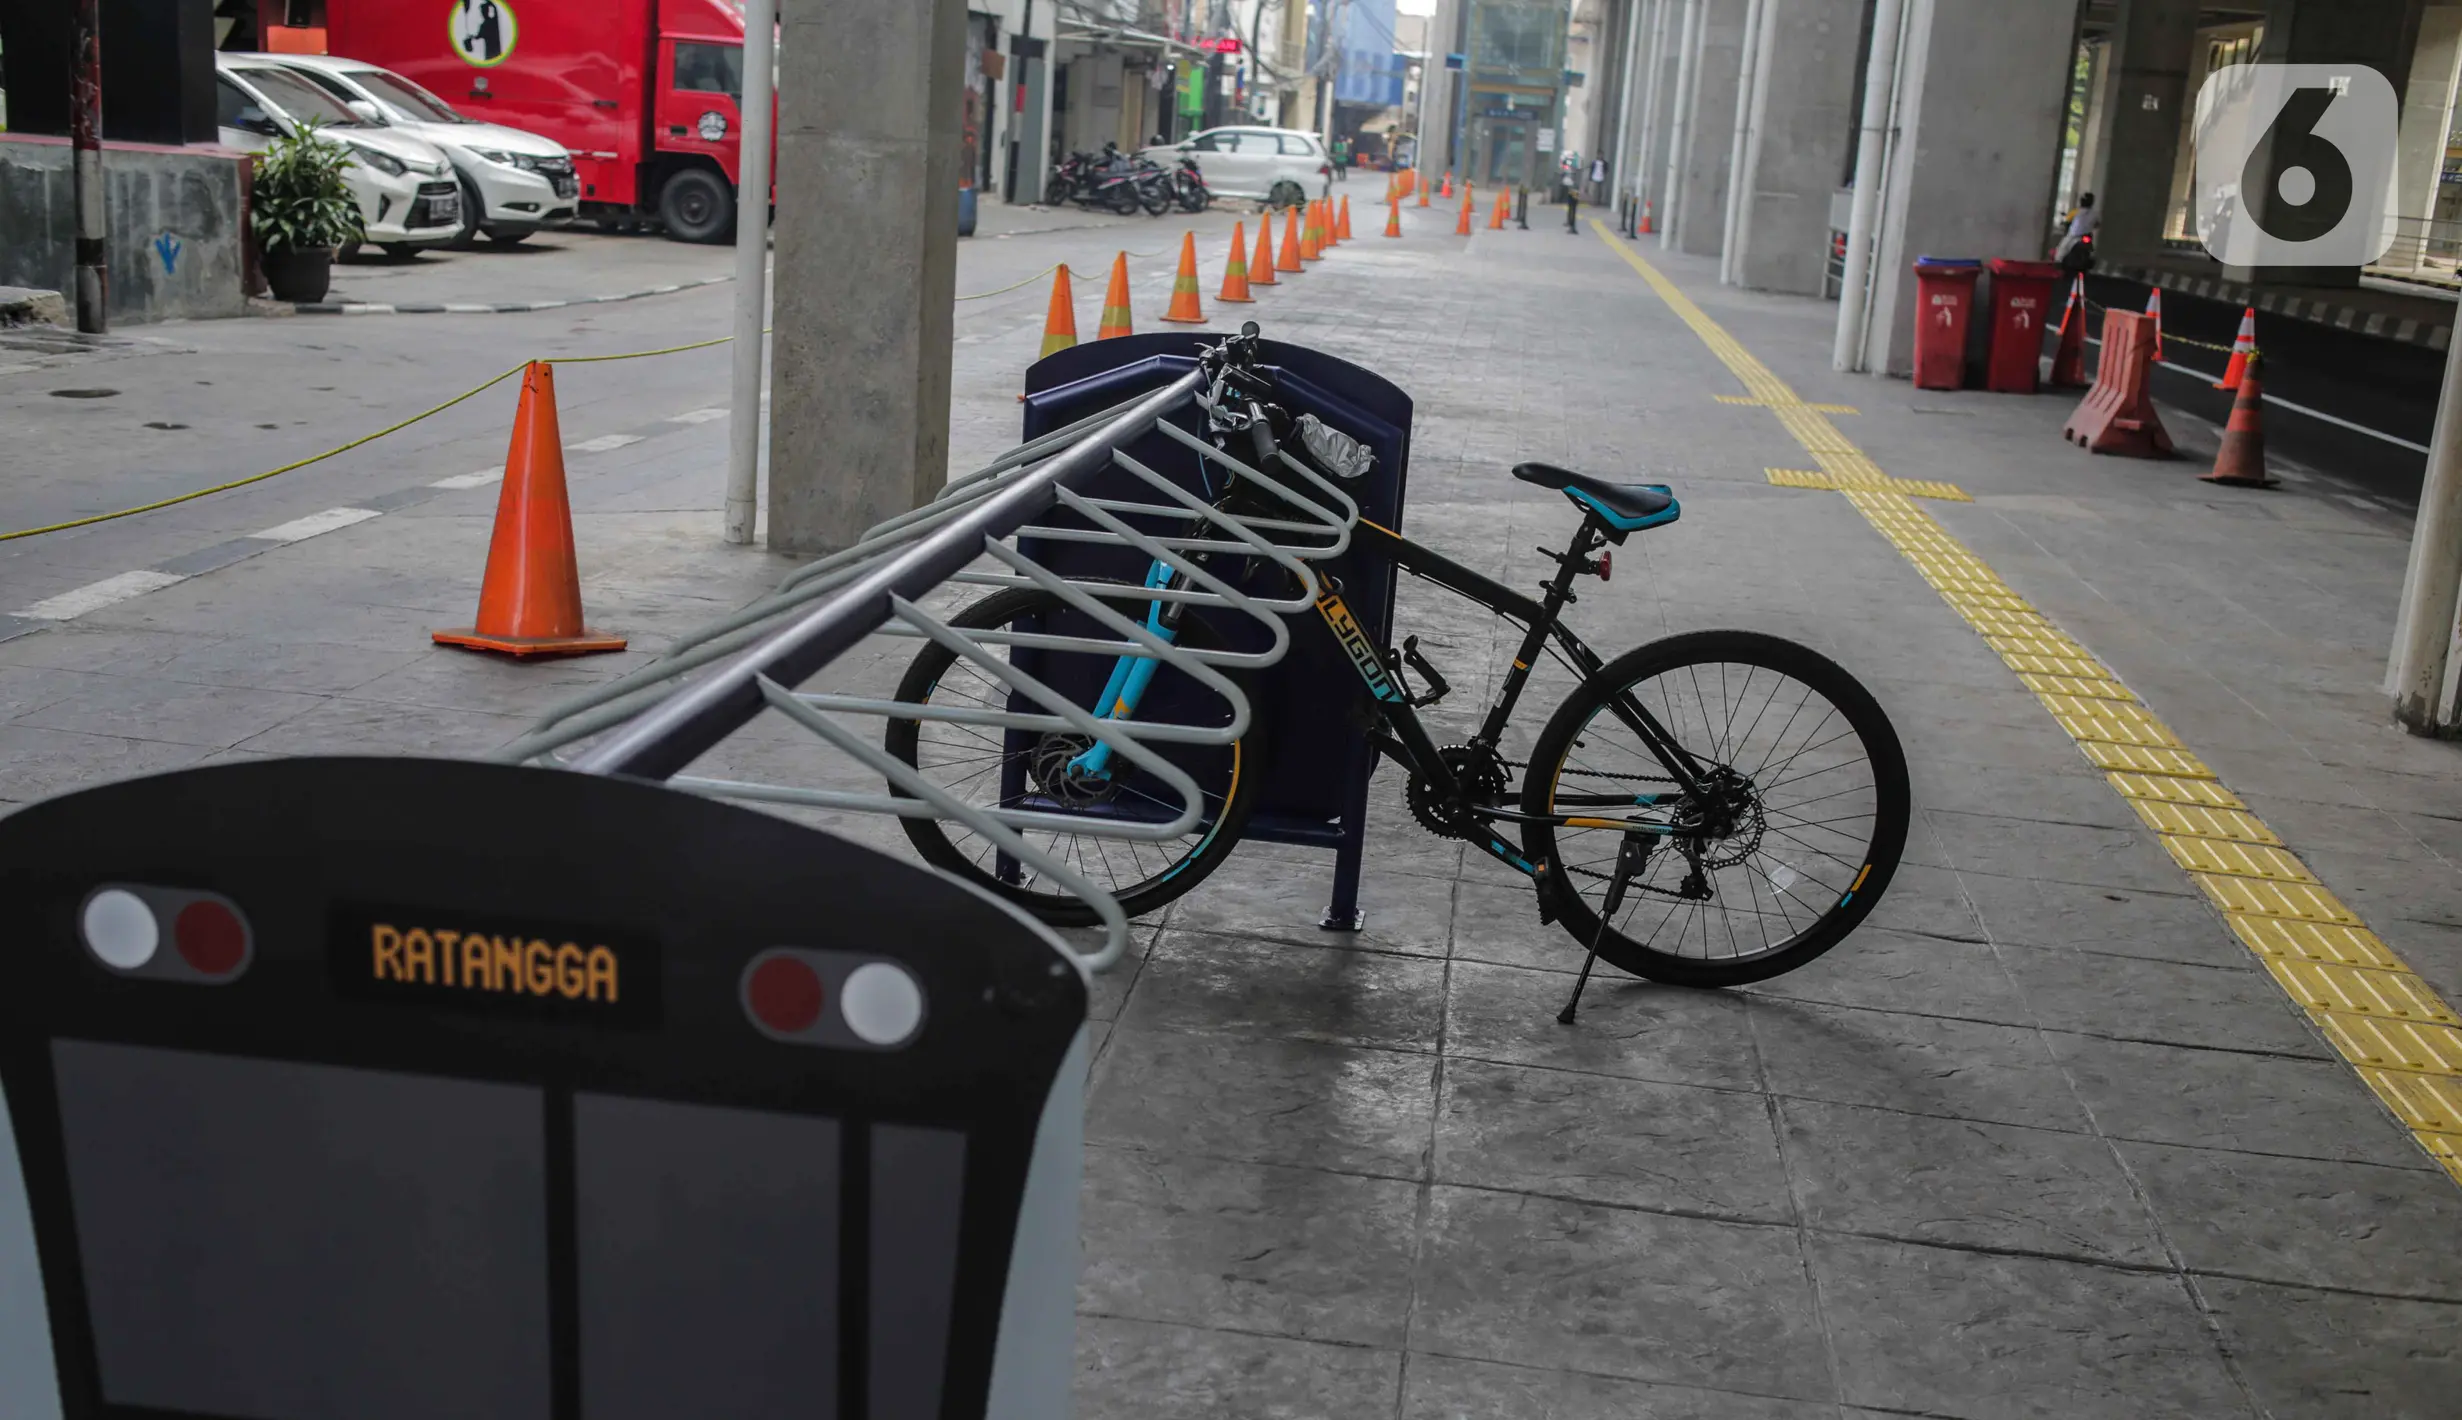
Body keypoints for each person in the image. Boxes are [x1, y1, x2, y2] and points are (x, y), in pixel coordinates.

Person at [2056, 193, 2098, 273]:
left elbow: (2067, 222)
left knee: (2062, 249)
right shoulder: (2095, 214)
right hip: (2086, 236)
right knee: (2091, 248)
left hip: (2073, 236)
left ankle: (2058, 263)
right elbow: (2097, 224)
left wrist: (2064, 224)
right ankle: (2091, 260)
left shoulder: (2075, 212)